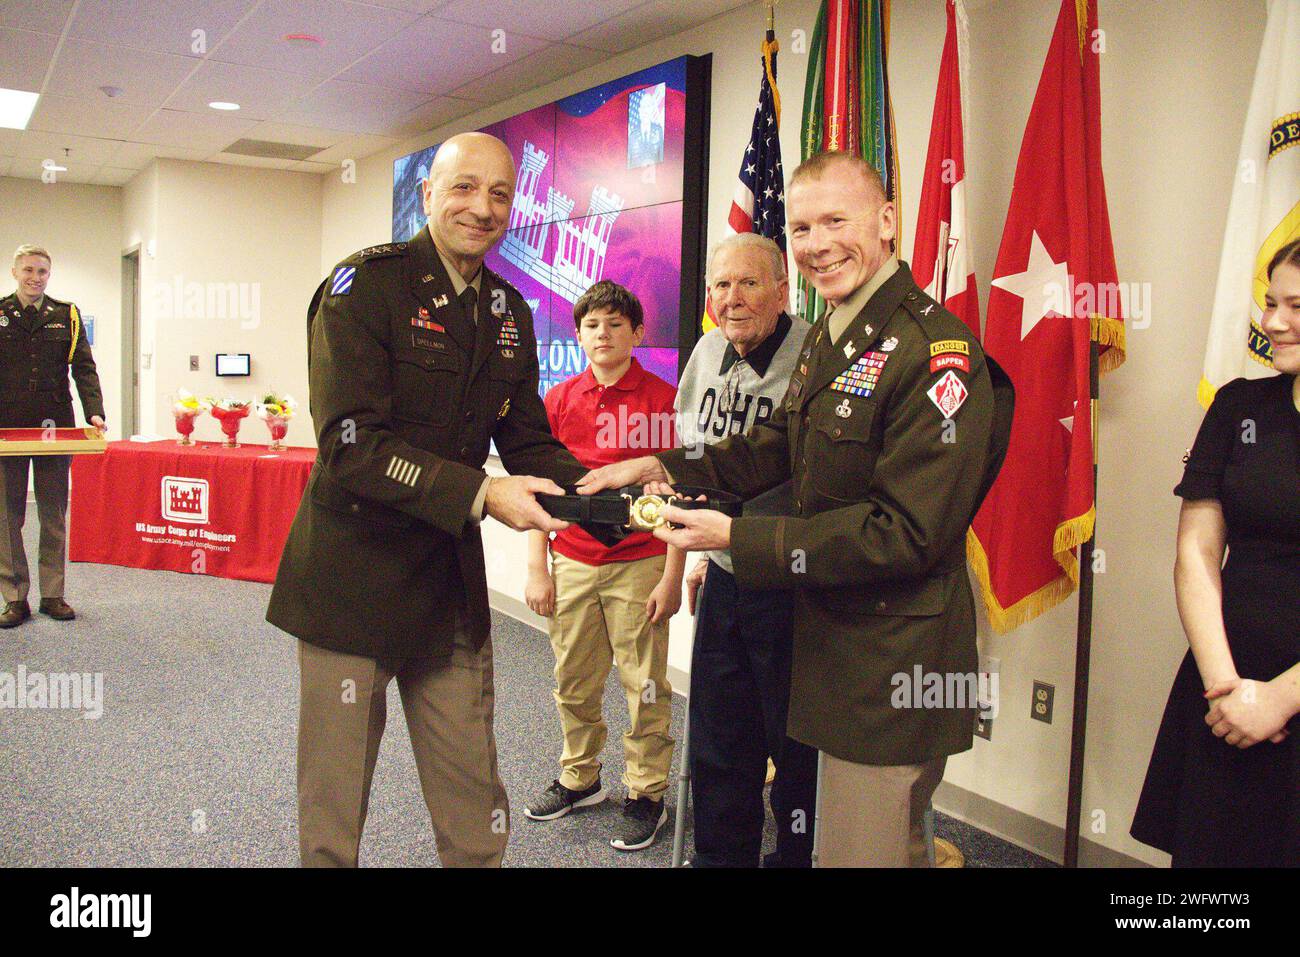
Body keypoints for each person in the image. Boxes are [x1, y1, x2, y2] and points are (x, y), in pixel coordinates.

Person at [578, 151, 1013, 867]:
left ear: (887, 222)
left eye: (836, 221)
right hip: (829, 638)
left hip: (883, 667)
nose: (816, 244)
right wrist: (664, 462)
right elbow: (780, 443)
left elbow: (905, 532)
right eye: (803, 227)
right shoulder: (838, 336)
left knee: (863, 852)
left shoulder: (936, 353)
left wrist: (739, 537)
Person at [266, 131, 587, 868]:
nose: (483, 207)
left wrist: (601, 488)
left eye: (500, 194)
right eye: (465, 188)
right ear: (428, 195)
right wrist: (481, 491)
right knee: (333, 814)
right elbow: (350, 446)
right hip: (351, 583)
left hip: (446, 588)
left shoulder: (509, 308)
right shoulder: (363, 287)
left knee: (477, 805)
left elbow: (527, 440)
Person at [1131, 238, 1300, 867]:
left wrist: (1280, 698)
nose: (1273, 322)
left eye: (1295, 305)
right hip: (1223, 688)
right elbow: (1196, 555)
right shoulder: (1238, 406)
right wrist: (1226, 687)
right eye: (1270, 303)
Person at [521, 280, 683, 852]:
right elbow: (539, 492)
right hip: (571, 560)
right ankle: (579, 777)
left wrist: (671, 576)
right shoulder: (559, 400)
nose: (603, 334)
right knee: (573, 679)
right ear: (579, 333)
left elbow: (676, 495)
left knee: (643, 685)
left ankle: (646, 792)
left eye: (616, 324)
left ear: (638, 333)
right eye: (592, 325)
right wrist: (538, 567)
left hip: (640, 561)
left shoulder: (663, 400)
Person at [672, 232, 817, 867]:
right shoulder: (705, 351)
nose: (732, 299)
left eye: (749, 283)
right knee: (718, 740)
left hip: (792, 581)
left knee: (794, 748)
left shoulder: (816, 355)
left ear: (783, 291)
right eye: (721, 285)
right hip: (725, 575)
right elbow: (692, 458)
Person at [0, 245, 106, 628]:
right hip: (7, 429)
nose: (35, 277)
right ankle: (15, 598)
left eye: (42, 271)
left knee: (53, 514)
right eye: (28, 269)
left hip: (55, 427)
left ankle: (53, 594)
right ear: (15, 272)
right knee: (7, 517)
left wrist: (95, 411)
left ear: (49, 275)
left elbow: (84, 368)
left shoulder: (67, 315)